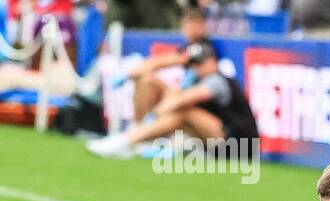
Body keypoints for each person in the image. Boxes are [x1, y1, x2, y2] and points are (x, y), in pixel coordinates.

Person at [86, 40, 258, 158]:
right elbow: (152, 69)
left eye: (200, 64)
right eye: (193, 65)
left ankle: (125, 140)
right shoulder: (197, 78)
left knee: (184, 111)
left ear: (212, 62)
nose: (196, 68)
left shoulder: (217, 80)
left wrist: (155, 114)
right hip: (215, 139)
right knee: (152, 83)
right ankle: (139, 139)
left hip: (239, 144)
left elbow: (183, 100)